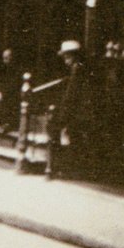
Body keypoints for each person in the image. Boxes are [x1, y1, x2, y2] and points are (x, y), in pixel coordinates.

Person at [49, 39, 88, 179]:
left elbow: (71, 94)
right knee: (72, 139)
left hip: (76, 112)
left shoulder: (77, 71)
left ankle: (69, 169)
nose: (65, 60)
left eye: (67, 56)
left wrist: (63, 114)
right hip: (77, 111)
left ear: (74, 56)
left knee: (71, 139)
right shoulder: (77, 69)